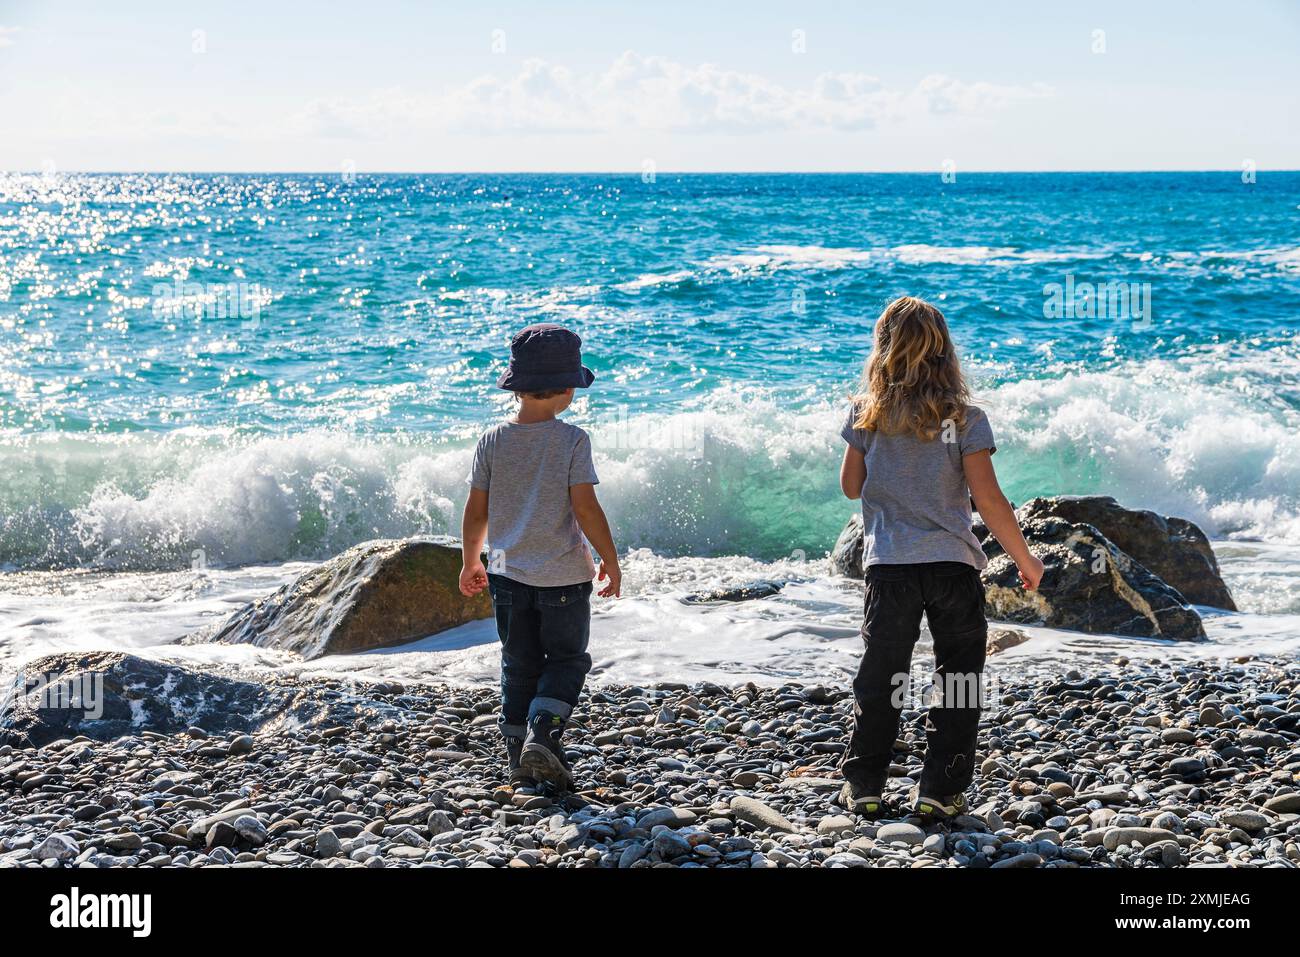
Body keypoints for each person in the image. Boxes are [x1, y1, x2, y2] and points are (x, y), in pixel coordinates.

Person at [837, 296, 1043, 820]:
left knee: (882, 675)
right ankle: (940, 790)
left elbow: (849, 487)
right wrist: (1026, 559)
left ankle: (864, 785)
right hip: (952, 563)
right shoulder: (964, 419)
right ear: (944, 353)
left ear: (882, 351)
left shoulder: (867, 414)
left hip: (890, 565)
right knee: (957, 678)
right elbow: (989, 499)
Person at [459, 323, 621, 791]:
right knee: (567, 660)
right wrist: (609, 559)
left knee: (518, 661)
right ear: (568, 389)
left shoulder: (492, 441)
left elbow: (476, 510)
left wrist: (472, 561)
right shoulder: (572, 440)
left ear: (518, 386)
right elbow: (585, 508)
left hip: (507, 574)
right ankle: (544, 734)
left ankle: (518, 753)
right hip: (565, 578)